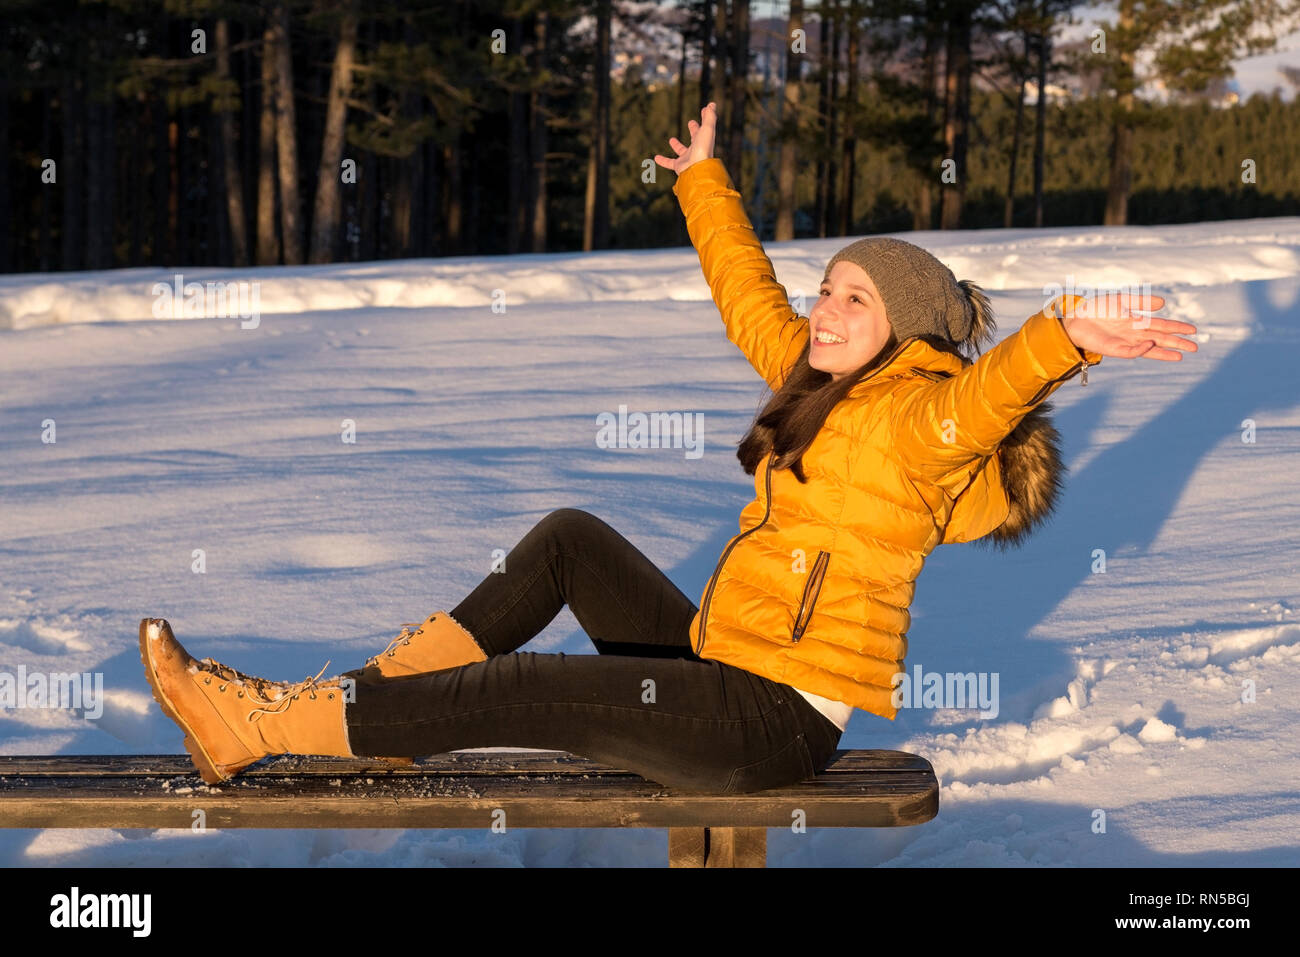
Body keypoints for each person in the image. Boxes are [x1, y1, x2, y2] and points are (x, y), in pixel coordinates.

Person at [139, 102, 1198, 793]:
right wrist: (703, 180)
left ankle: (263, 725)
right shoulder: (820, 384)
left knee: (517, 689)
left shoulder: (919, 421)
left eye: (853, 299)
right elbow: (749, 302)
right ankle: (374, 706)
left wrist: (1063, 339)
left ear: (904, 331)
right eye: (828, 288)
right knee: (569, 540)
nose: (824, 311)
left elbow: (988, 394)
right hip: (724, 665)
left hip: (770, 723)